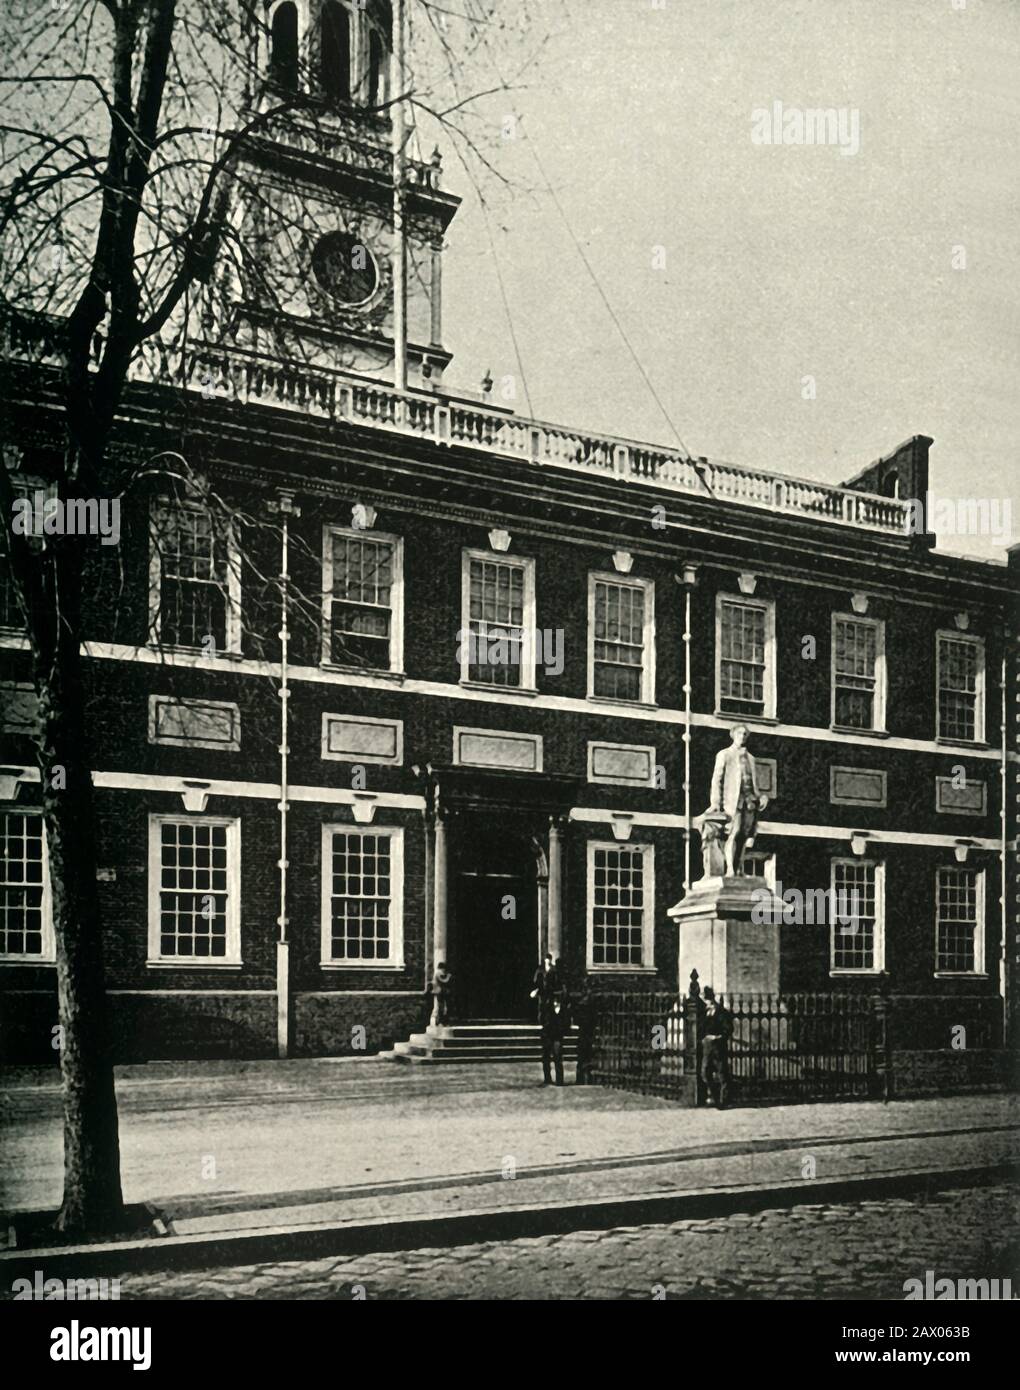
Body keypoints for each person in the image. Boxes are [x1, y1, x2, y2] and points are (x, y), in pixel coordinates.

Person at [709, 724, 769, 876]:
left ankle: (738, 868)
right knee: (733, 833)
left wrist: (761, 797)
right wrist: (715, 803)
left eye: (744, 734)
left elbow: (754, 784)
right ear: (733, 735)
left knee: (744, 835)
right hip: (732, 801)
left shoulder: (751, 758)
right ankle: (729, 868)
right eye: (739, 733)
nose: (742, 736)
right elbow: (717, 779)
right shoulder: (724, 754)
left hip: (750, 802)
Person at [700, 987, 733, 1109]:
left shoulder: (721, 1011)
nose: (706, 1002)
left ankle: (723, 1101)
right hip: (707, 1045)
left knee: (722, 1073)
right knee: (705, 1073)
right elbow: (701, 1028)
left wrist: (719, 1037)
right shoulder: (705, 1012)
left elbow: (728, 1029)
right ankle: (715, 1097)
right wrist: (703, 1038)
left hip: (718, 1045)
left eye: (707, 999)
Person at [539, 987, 569, 1087]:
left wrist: (562, 1031)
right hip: (548, 1035)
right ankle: (547, 1078)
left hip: (557, 1036)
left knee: (557, 1057)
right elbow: (543, 1019)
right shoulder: (548, 1008)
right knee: (546, 1057)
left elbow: (566, 1022)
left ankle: (559, 1080)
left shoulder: (564, 1009)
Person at [572, 984, 596, 1085]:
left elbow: (576, 1019)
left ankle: (580, 1078)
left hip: (583, 1033)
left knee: (582, 1058)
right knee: (587, 1057)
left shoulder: (581, 1004)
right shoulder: (591, 1004)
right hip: (588, 1033)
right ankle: (587, 1078)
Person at [430, 961, 453, 1026]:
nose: (444, 970)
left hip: (442, 992)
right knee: (440, 1007)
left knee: (443, 1007)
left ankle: (442, 1021)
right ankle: (439, 1021)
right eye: (443, 968)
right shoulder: (438, 973)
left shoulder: (439, 973)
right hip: (439, 992)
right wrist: (448, 977)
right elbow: (444, 981)